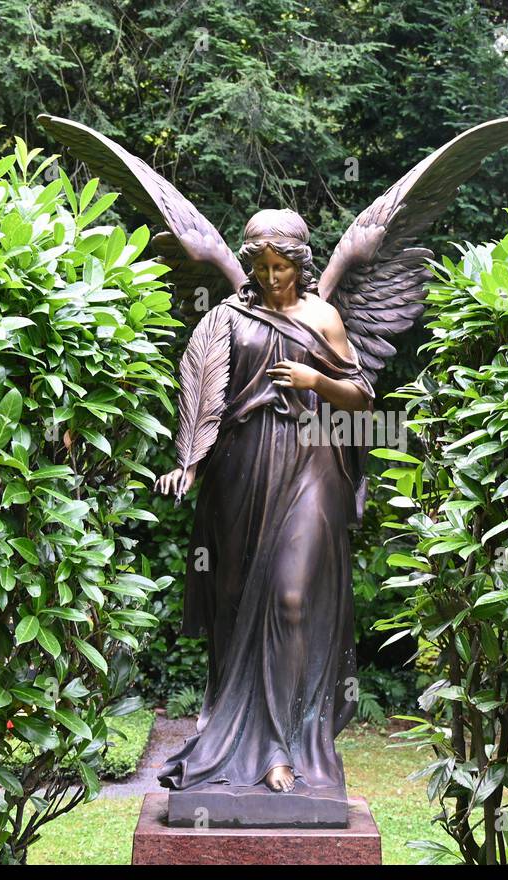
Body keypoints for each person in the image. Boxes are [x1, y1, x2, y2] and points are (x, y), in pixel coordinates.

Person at [154, 208, 373, 795]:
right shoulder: (228, 316)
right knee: (234, 607)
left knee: (293, 596)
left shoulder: (322, 316)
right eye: (262, 266)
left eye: (282, 266)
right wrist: (190, 467)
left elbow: (361, 397)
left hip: (311, 465)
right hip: (243, 473)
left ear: (300, 264)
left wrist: (316, 382)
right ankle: (238, 739)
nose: (272, 277)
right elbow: (206, 392)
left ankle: (284, 744)